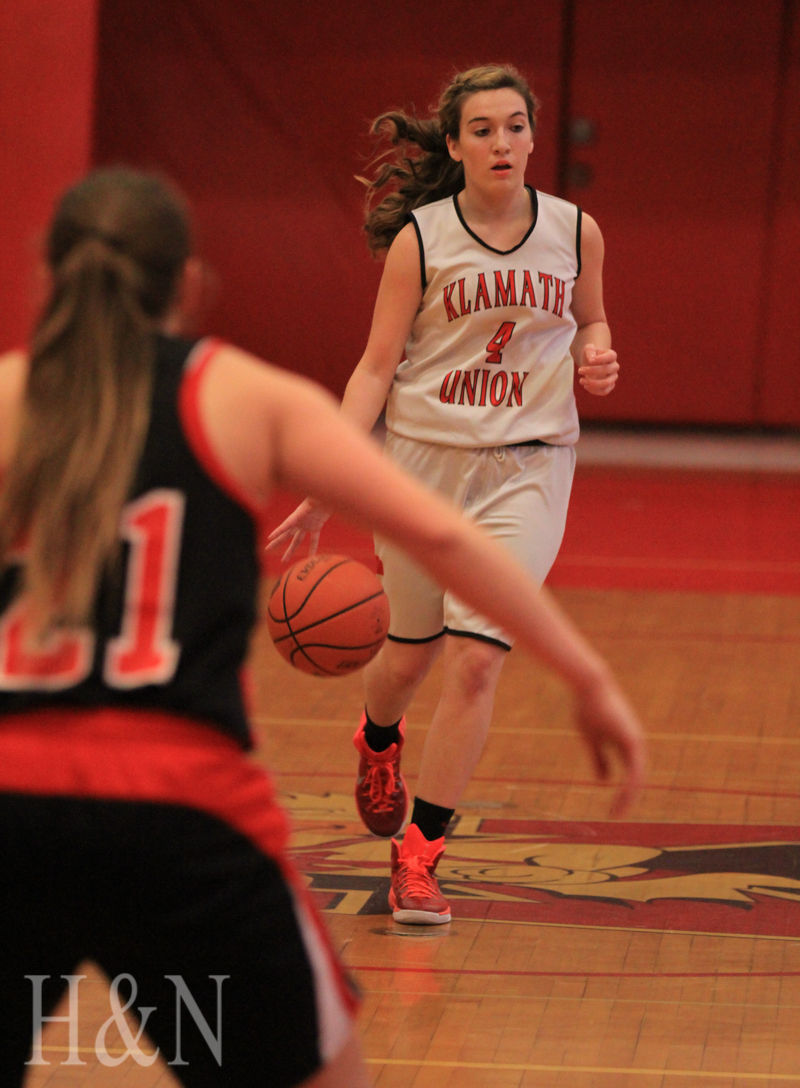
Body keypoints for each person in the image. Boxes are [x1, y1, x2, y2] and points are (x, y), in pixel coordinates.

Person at [0, 165, 643, 1084]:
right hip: (184, 810)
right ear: (188, 284)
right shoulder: (241, 395)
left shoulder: (9, 398)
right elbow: (443, 537)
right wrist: (587, 676)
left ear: (48, 274)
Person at [267, 63, 630, 926]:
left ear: (535, 138)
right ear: (457, 145)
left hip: (530, 467)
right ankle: (378, 739)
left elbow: (593, 319)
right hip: (424, 469)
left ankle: (421, 855)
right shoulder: (422, 241)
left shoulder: (576, 231)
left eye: (515, 126)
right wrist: (328, 476)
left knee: (476, 660)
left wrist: (598, 355)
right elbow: (375, 367)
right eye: (483, 129)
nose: (501, 142)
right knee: (407, 657)